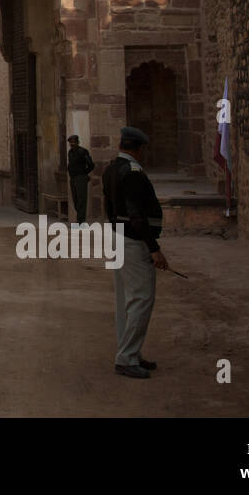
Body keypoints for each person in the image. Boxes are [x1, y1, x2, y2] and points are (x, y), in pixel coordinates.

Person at [102, 126, 168, 379]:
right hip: (132, 239)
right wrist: (154, 249)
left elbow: (109, 207)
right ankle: (127, 357)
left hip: (119, 237)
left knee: (126, 301)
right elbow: (136, 215)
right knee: (141, 299)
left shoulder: (111, 169)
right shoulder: (132, 173)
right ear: (139, 149)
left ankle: (130, 351)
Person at [66, 135, 95, 223]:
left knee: (81, 200)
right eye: (71, 142)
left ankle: (80, 221)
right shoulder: (70, 152)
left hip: (80, 178)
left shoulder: (83, 151)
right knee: (76, 200)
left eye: (74, 142)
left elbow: (91, 165)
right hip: (73, 178)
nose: (72, 144)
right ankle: (80, 219)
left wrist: (83, 173)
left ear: (77, 142)